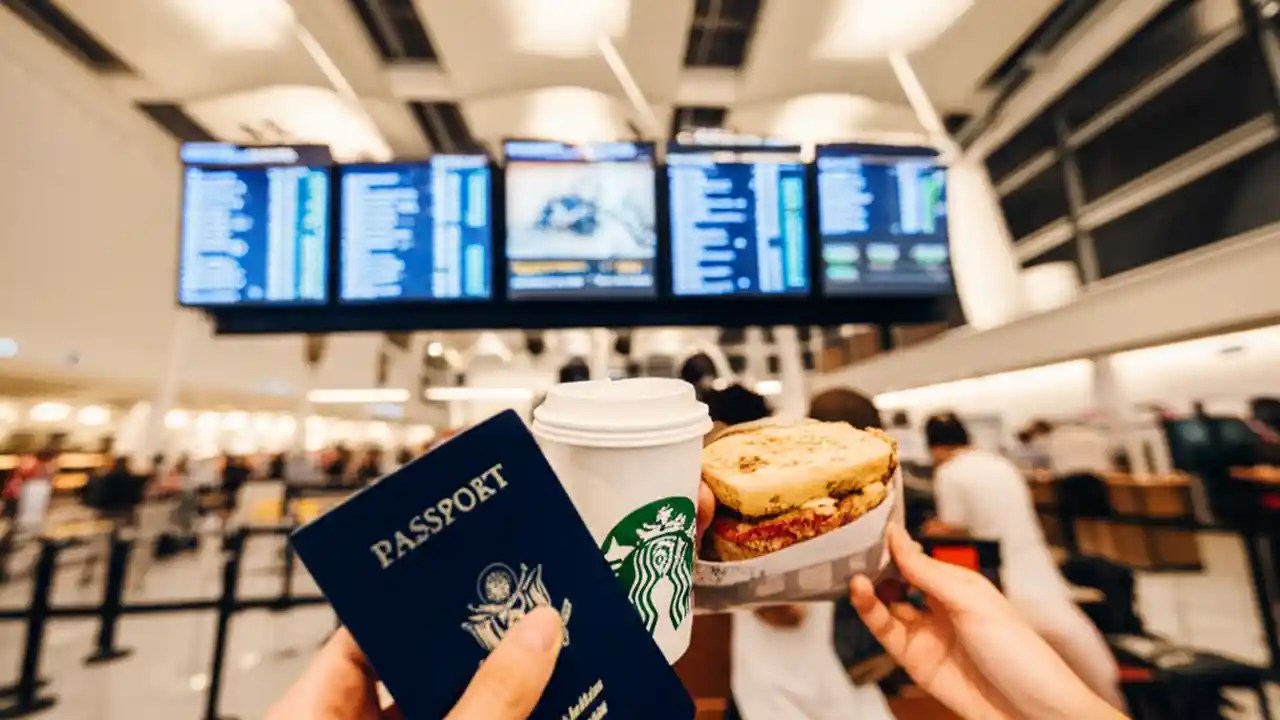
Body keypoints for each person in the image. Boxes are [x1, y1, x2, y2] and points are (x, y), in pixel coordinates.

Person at [923, 412, 1125, 710]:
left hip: (1006, 575)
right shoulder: (999, 464)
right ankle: (1114, 706)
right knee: (1075, 644)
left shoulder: (950, 473)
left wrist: (929, 529)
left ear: (935, 447)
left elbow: (954, 523)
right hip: (1037, 564)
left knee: (1025, 661)